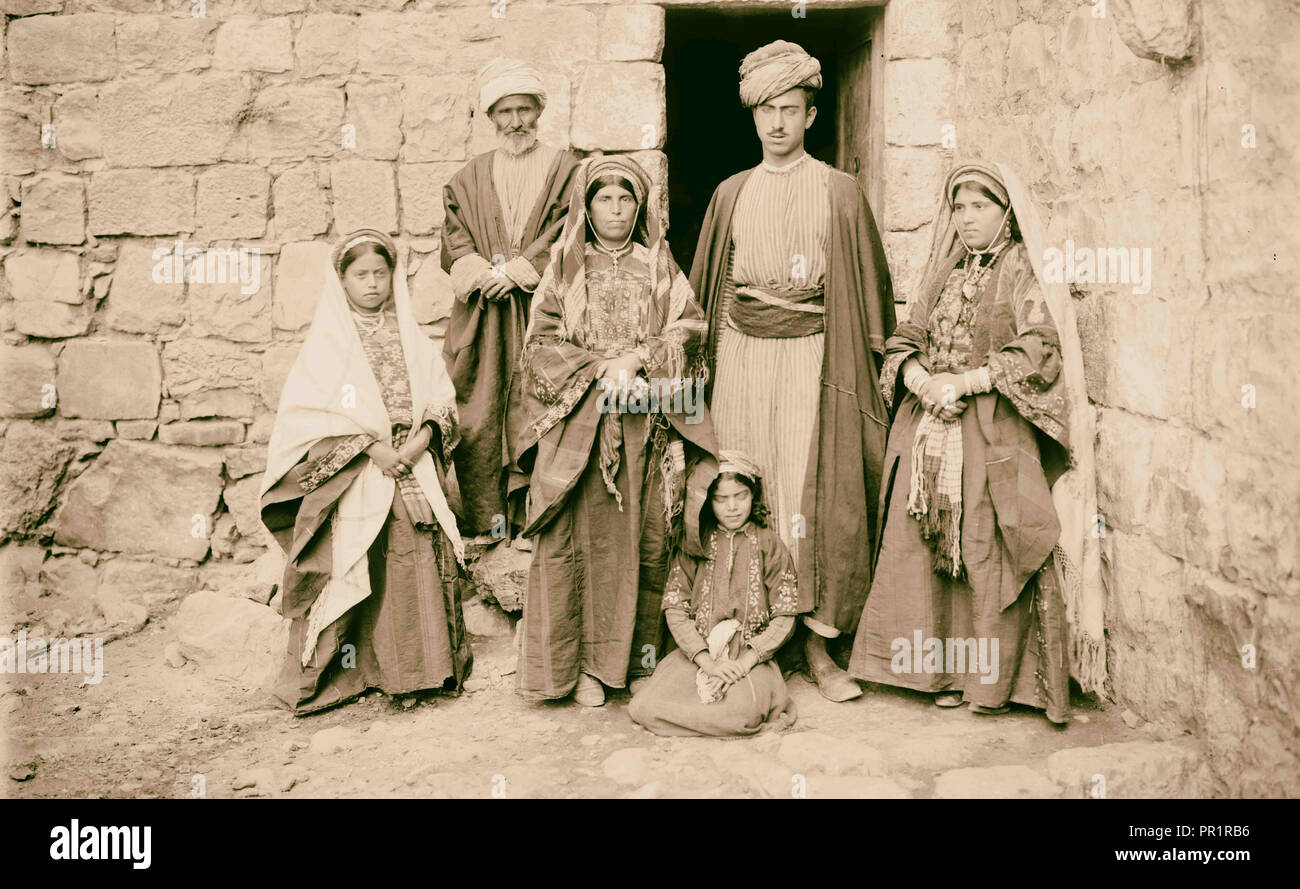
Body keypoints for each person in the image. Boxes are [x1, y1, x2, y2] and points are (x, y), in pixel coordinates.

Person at [847, 161, 1106, 723]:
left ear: (1006, 211)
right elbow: (907, 334)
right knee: (916, 545)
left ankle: (989, 683)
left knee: (984, 547)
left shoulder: (1020, 270)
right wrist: (920, 380)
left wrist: (965, 381)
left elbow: (1040, 348)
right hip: (928, 422)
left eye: (979, 207)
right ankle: (929, 671)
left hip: (990, 427)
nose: (966, 218)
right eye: (959, 207)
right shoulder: (946, 268)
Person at [689, 40, 895, 702]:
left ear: (811, 114)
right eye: (766, 111)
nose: (777, 123)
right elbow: (711, 293)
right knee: (748, 485)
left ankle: (817, 637)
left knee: (808, 495)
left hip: (813, 355)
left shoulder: (840, 192)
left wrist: (868, 370)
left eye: (791, 109)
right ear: (751, 118)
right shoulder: (730, 194)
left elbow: (867, 296)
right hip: (744, 357)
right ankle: (746, 634)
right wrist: (710, 367)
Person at [512, 155, 716, 707]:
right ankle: (577, 669)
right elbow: (538, 346)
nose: (617, 208)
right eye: (605, 198)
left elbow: (692, 329)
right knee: (576, 544)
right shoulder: (564, 267)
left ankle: (632, 661)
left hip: (645, 423)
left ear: (640, 205)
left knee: (645, 542)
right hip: (579, 427)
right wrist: (601, 368)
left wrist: (640, 358)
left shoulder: (659, 267)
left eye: (626, 198)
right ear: (588, 204)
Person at [260, 230, 472, 715]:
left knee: (415, 553)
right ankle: (356, 673)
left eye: (381, 273)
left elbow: (441, 398)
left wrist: (419, 442)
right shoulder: (328, 345)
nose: (373, 284)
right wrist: (370, 448)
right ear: (343, 280)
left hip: (412, 461)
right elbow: (309, 414)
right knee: (361, 562)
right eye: (361, 275)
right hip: (360, 470)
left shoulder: (411, 337)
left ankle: (424, 671)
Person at [441, 58, 581, 545]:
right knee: (478, 410)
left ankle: (536, 519)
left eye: (525, 109)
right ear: (490, 116)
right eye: (505, 111)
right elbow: (455, 241)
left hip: (545, 311)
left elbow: (569, 232)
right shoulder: (467, 179)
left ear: (539, 111)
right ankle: (486, 519)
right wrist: (486, 274)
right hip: (484, 315)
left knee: (541, 407)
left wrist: (521, 272)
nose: (516, 121)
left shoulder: (568, 171)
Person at [628, 451, 807, 737]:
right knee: (644, 707)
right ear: (707, 501)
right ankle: (703, 715)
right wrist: (708, 664)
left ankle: (715, 714)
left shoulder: (769, 544)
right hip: (700, 653)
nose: (732, 507)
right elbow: (675, 607)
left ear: (754, 495)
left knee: (742, 714)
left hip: (750, 656)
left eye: (741, 496)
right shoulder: (694, 543)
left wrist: (744, 661)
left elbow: (786, 614)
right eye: (721, 499)